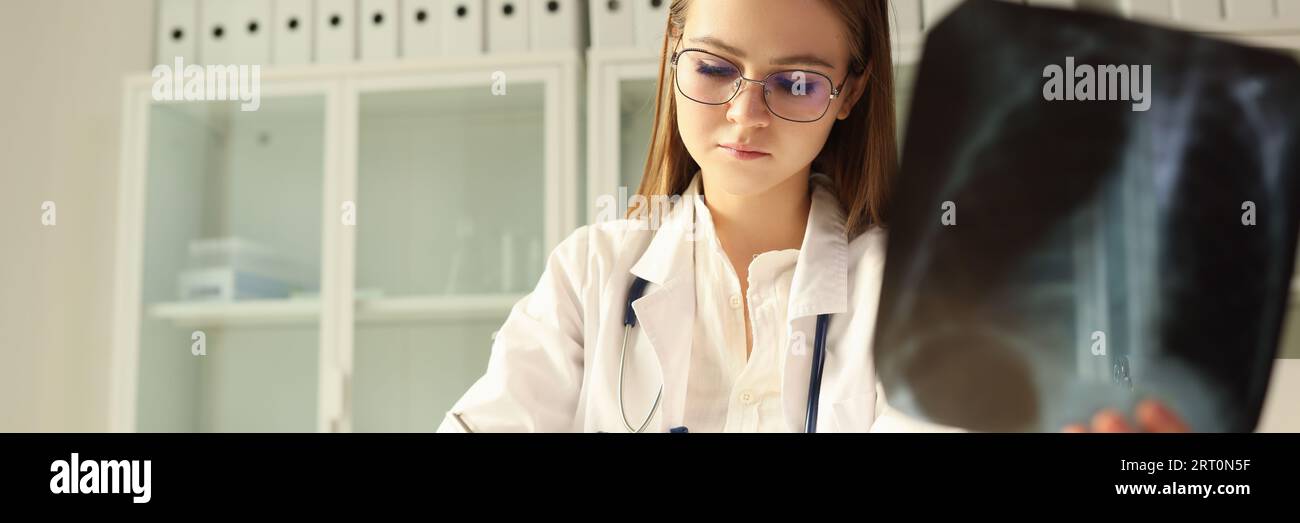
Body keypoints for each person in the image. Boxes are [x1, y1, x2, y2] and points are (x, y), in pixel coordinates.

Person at [437, 0, 1189, 433]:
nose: (745, 114)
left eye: (795, 82)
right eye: (714, 67)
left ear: (851, 94)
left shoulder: (905, 294)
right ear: (672, 55)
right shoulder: (590, 275)